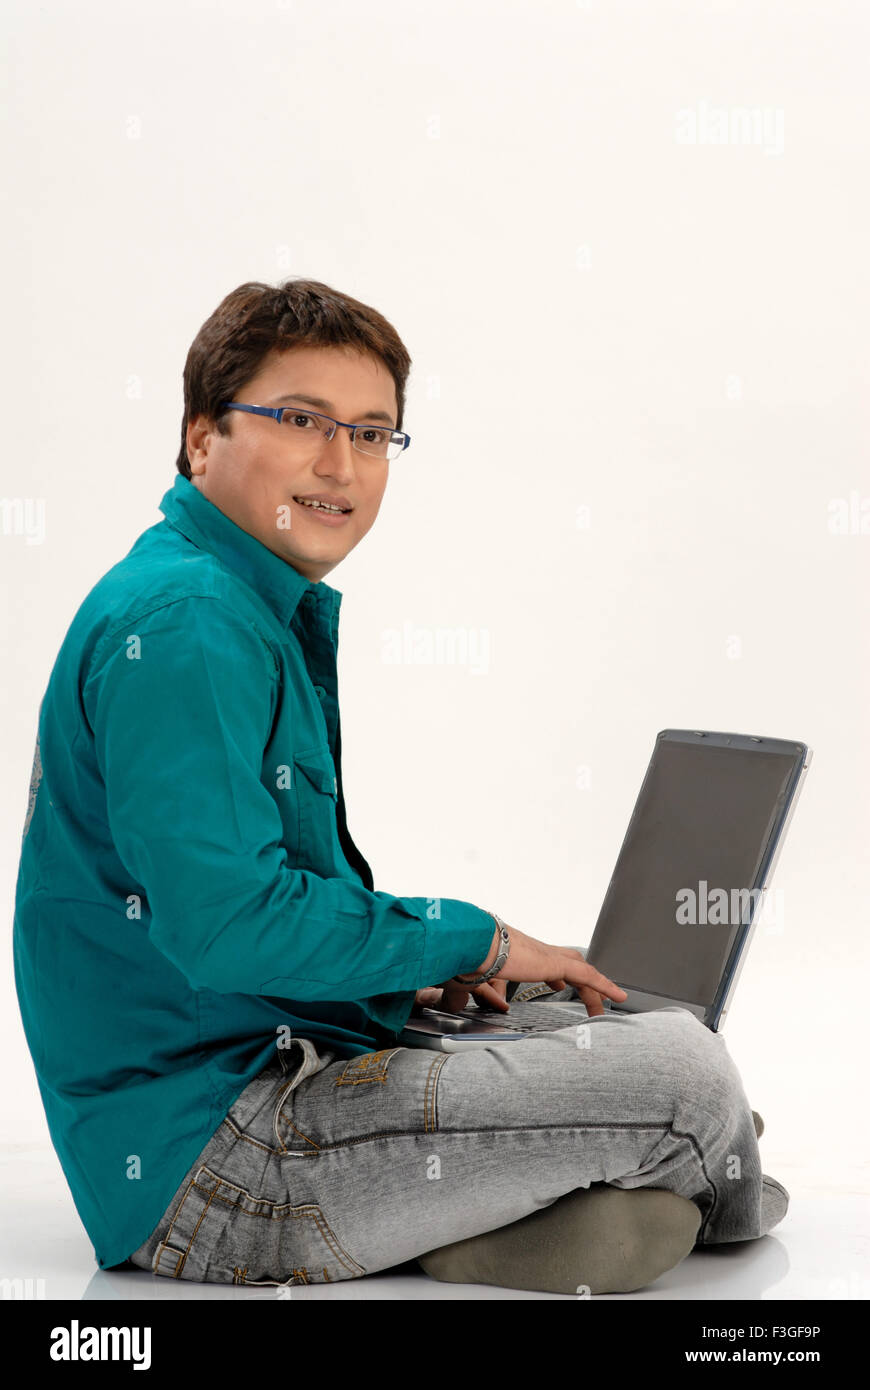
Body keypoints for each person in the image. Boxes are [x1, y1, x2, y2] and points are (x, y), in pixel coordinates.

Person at [13, 278, 787, 1297]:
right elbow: (227, 924)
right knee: (687, 1080)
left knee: (606, 1033)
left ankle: (520, 1195)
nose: (342, 464)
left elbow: (249, 909)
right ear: (201, 438)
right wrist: (475, 938)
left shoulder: (236, 602)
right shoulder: (190, 623)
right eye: (300, 421)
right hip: (218, 1165)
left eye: (374, 434)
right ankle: (690, 1194)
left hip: (278, 1058)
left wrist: (407, 981)